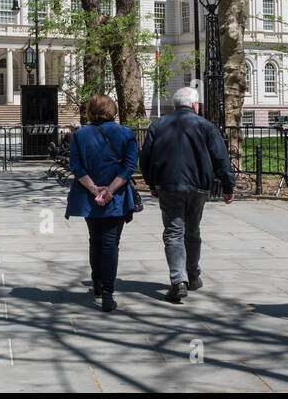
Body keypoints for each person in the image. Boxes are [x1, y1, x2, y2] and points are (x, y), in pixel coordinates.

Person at [139, 86, 235, 304]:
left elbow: (145, 158)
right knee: (192, 231)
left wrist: (151, 183)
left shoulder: (158, 125)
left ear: (175, 106)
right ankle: (191, 275)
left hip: (169, 185)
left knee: (173, 232)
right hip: (198, 186)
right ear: (194, 105)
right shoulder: (206, 126)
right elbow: (221, 158)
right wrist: (228, 186)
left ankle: (178, 281)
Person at [65, 95, 137, 313]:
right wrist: (110, 190)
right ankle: (107, 291)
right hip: (116, 197)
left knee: (96, 240)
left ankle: (97, 282)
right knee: (110, 243)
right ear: (112, 110)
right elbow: (129, 166)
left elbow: (76, 167)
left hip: (90, 197)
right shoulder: (125, 133)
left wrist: (94, 189)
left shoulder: (80, 135)